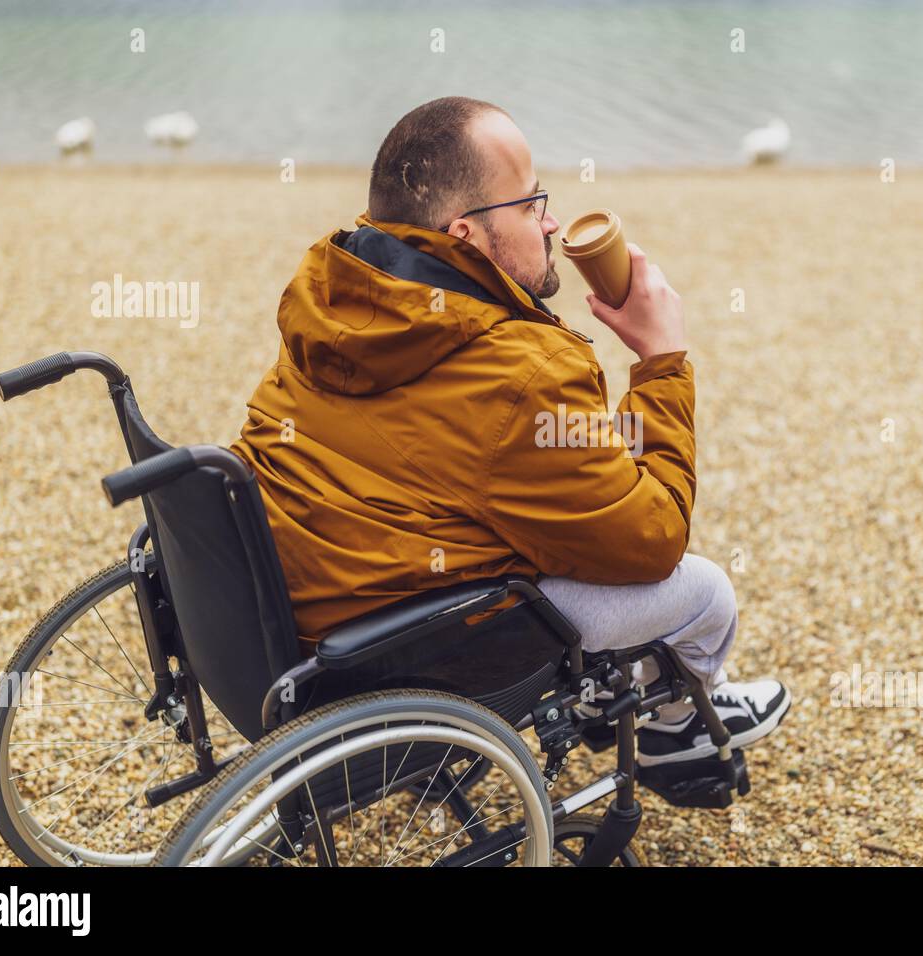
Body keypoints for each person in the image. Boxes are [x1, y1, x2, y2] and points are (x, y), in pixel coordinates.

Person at [231, 96, 789, 766]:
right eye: (530, 205)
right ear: (464, 233)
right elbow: (652, 542)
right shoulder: (521, 373)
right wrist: (659, 362)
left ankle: (640, 701)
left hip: (283, 633)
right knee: (704, 592)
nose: (551, 221)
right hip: (400, 659)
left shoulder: (335, 293)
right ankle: (675, 724)